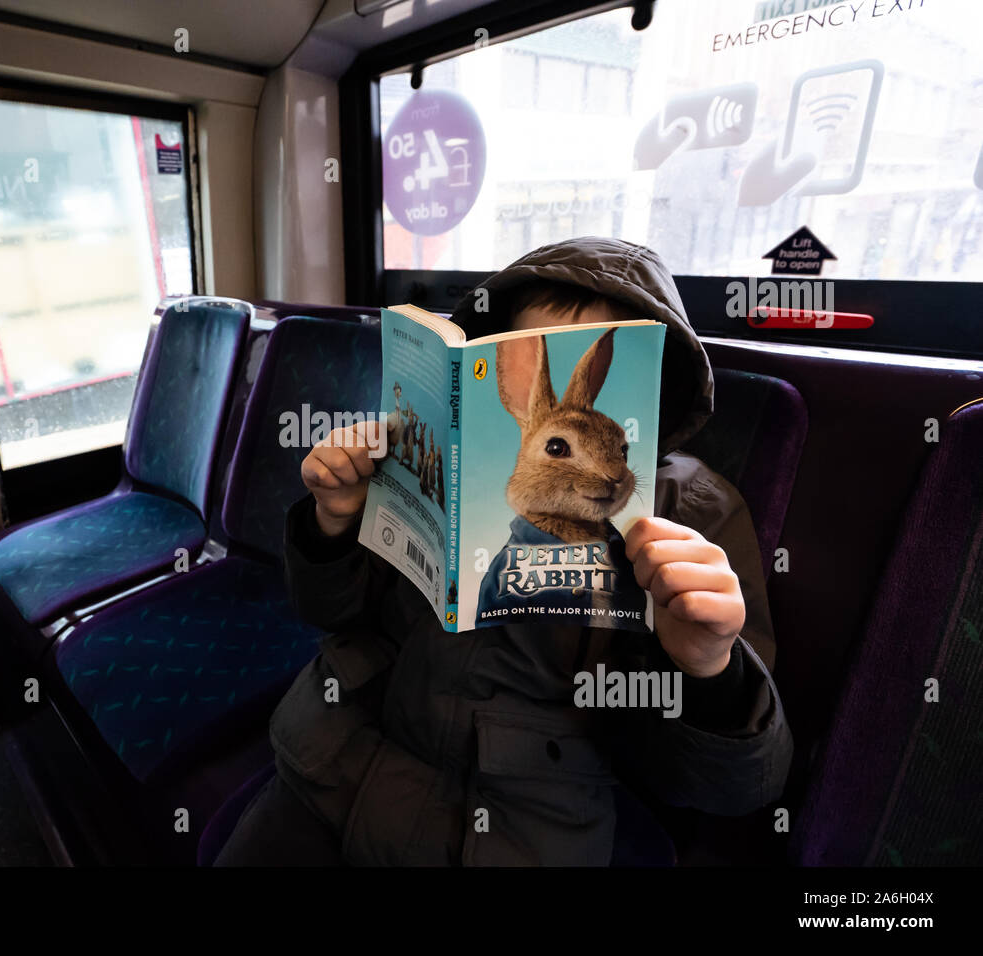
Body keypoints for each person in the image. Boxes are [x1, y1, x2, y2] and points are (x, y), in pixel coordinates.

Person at [216, 237, 793, 866]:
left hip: (518, 829)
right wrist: (334, 522)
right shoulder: (420, 452)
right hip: (330, 766)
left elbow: (739, 785)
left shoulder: (697, 510)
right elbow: (325, 610)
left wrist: (710, 667)